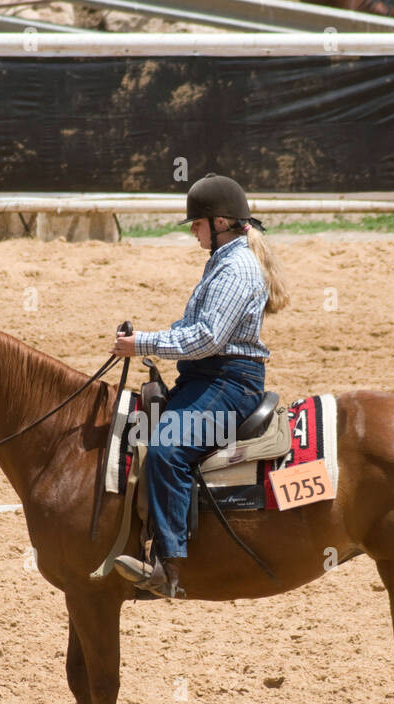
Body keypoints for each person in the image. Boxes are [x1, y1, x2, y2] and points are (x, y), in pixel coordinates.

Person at [110, 173, 289, 598]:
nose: (192, 230)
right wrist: (152, 340)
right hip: (209, 375)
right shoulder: (223, 259)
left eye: (197, 223)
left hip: (229, 382)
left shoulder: (238, 267)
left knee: (166, 449)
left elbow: (208, 338)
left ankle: (166, 566)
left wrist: (142, 344)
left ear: (221, 221)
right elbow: (191, 328)